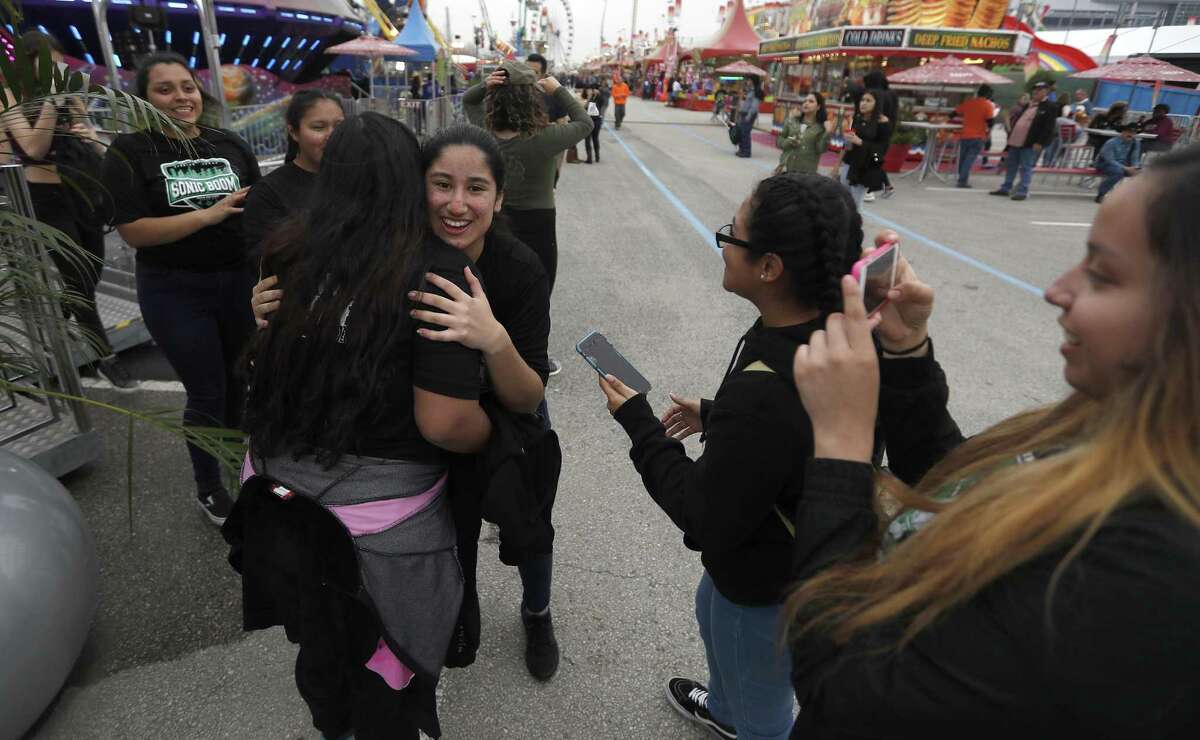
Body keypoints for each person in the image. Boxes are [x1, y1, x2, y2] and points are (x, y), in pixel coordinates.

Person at [784, 144, 1200, 738]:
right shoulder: (1116, 422)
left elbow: (845, 687)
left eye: (1103, 275)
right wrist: (906, 354)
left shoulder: (1146, 571)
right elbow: (963, 491)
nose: (1057, 290)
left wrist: (843, 448)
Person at [249, 124, 560, 682]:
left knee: (529, 523)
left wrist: (493, 339)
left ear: (500, 198)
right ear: (414, 188)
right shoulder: (398, 257)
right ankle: (447, 626)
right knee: (451, 536)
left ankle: (537, 610)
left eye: (476, 189)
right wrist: (283, 315)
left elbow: (529, 393)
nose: (457, 203)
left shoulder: (517, 268)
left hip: (500, 411)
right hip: (438, 430)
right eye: (441, 184)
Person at [229, 112, 491, 740]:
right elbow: (447, 421)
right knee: (386, 673)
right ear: (411, 181)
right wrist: (492, 436)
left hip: (282, 506)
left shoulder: (289, 251)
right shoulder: (435, 271)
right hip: (382, 530)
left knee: (323, 647)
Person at [595, 173, 866, 740]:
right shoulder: (828, 339)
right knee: (714, 615)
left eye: (733, 234)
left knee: (760, 698)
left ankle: (747, 722)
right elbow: (792, 434)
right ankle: (724, 711)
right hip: (765, 561)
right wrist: (718, 416)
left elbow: (703, 518)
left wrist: (640, 425)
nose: (723, 243)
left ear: (769, 267)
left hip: (766, 581)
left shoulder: (766, 389)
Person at [101, 52, 259, 525]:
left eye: (186, 87)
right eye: (164, 89)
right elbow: (133, 231)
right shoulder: (128, 152)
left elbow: (262, 207)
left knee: (239, 384)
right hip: (174, 290)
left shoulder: (227, 142)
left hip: (237, 282)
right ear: (144, 98)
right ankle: (208, 488)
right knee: (207, 391)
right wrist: (207, 215)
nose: (179, 98)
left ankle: (239, 463)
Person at [2, 31, 138, 389]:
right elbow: (33, 147)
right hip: (46, 197)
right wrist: (50, 102)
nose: (54, 67)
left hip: (84, 190)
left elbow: (90, 137)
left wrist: (86, 132)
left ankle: (62, 320)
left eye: (57, 59)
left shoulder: (67, 99)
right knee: (77, 276)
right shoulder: (11, 97)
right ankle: (105, 356)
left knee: (90, 272)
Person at [461, 61, 591, 308]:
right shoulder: (545, 137)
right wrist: (558, 90)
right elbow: (586, 122)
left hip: (496, 220)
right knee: (537, 294)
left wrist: (484, 86)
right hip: (538, 224)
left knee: (495, 291)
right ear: (531, 99)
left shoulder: (485, 133)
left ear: (495, 98)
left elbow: (469, 101)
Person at [242, 89, 344, 263]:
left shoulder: (360, 179)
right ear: (294, 132)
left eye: (340, 126)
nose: (332, 135)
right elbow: (262, 261)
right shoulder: (268, 193)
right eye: (318, 127)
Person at [990, 81, 1058, 202]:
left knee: (1026, 167)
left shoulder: (1050, 107)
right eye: (1035, 89)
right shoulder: (1028, 105)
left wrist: (1040, 142)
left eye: (1039, 90)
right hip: (1016, 140)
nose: (1036, 92)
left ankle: (1023, 190)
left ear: (1046, 91)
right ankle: (1006, 187)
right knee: (1011, 165)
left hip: (1030, 142)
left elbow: (1048, 128)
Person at [844, 90, 891, 207]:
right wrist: (847, 139)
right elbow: (847, 144)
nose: (863, 103)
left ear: (877, 104)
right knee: (843, 198)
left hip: (864, 167)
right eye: (862, 100)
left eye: (868, 100)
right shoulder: (857, 118)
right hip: (849, 162)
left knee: (855, 204)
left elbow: (882, 149)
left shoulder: (882, 122)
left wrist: (860, 142)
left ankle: (854, 224)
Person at [777, 92, 833, 175]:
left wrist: (828, 133)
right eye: (805, 101)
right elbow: (779, 141)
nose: (806, 103)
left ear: (818, 107)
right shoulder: (792, 121)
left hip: (806, 173)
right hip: (786, 168)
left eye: (811, 101)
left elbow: (821, 149)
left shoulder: (821, 127)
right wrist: (789, 142)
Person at [862, 70, 897, 199]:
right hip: (886, 134)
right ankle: (887, 186)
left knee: (873, 161)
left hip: (875, 133)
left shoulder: (877, 95)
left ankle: (870, 189)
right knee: (876, 160)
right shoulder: (892, 95)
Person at [953, 84, 995, 188]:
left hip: (964, 135)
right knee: (970, 158)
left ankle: (961, 177)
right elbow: (990, 122)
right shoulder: (988, 105)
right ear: (988, 95)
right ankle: (962, 181)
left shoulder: (968, 102)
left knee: (962, 158)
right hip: (978, 136)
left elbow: (954, 113)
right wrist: (988, 132)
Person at [1094, 124, 1141, 203]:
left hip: (1125, 165)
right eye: (1128, 132)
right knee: (1118, 172)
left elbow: (1135, 158)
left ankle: (1136, 197)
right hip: (1105, 164)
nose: (1130, 134)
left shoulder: (1136, 143)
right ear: (1122, 132)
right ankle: (1101, 194)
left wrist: (1135, 167)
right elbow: (1109, 160)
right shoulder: (1111, 142)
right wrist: (1125, 168)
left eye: (1133, 132)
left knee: (1145, 173)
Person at [734, 79, 761, 159]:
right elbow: (745, 103)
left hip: (749, 114)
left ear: (753, 81)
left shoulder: (756, 92)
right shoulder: (749, 91)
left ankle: (746, 152)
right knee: (742, 132)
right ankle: (741, 150)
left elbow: (754, 106)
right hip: (744, 113)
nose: (747, 82)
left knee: (745, 132)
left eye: (749, 80)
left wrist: (749, 116)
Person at [584, 88, 603, 164]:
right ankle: (589, 158)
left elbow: (602, 101)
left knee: (595, 138)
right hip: (589, 121)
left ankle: (597, 156)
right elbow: (584, 107)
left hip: (596, 121)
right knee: (587, 139)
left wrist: (598, 94)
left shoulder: (599, 98)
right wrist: (589, 98)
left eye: (595, 89)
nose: (593, 91)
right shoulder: (589, 98)